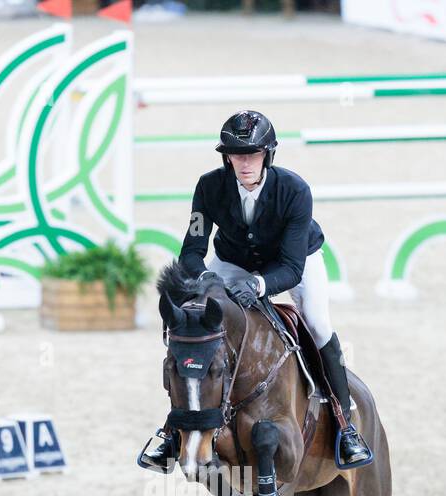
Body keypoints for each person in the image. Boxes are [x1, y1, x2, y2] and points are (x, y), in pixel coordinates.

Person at [140, 109, 372, 472]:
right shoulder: (209, 186)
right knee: (197, 322)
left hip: (293, 261)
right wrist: (205, 280)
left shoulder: (294, 191)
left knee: (316, 322)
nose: (245, 163)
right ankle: (173, 431)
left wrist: (260, 284)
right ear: (226, 157)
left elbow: (292, 268)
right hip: (233, 261)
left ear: (268, 155)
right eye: (237, 155)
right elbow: (192, 249)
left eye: (253, 154)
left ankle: (345, 425)